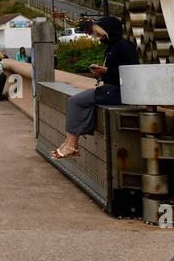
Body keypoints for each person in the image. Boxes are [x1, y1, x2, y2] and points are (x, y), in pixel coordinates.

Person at [52, 16, 137, 159]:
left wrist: (107, 71)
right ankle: (68, 142)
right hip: (114, 89)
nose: (98, 36)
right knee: (79, 101)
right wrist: (101, 72)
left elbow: (132, 71)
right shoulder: (112, 46)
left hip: (122, 92)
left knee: (75, 101)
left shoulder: (123, 46)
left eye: (99, 33)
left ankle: (71, 145)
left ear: (108, 32)